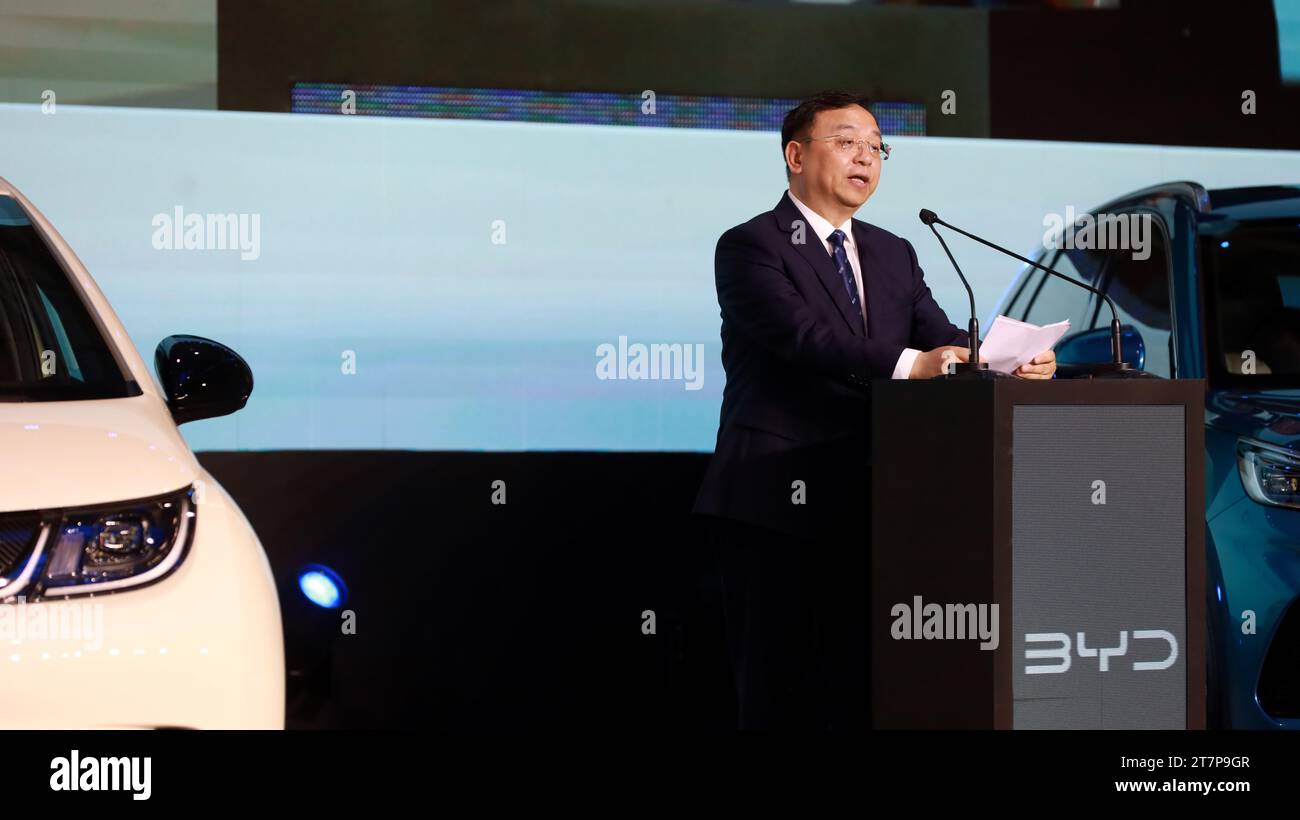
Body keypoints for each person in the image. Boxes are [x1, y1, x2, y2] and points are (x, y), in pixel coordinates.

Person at [693, 90, 1056, 730]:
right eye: (847, 141)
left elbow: (941, 334)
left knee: (869, 693)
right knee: (782, 696)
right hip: (778, 503)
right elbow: (805, 340)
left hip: (885, 508)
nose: (866, 157)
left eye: (876, 146)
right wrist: (911, 364)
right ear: (795, 154)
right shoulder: (750, 246)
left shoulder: (895, 252)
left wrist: (1007, 358)